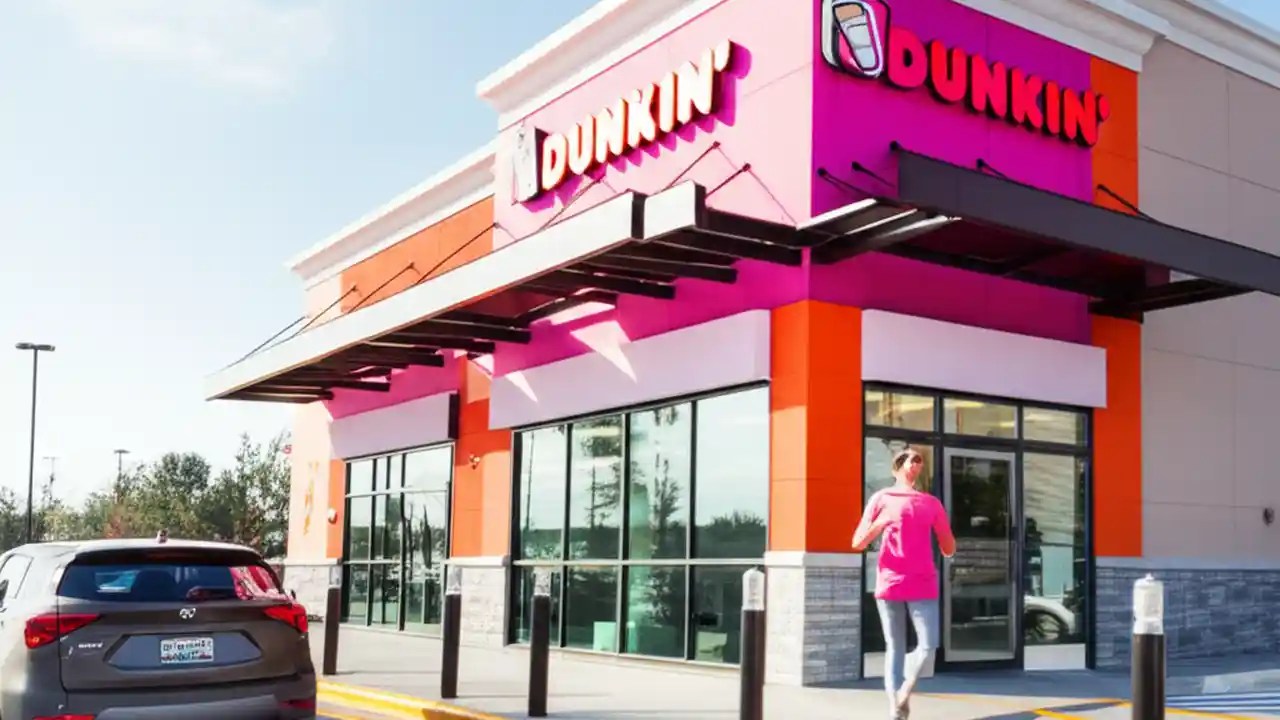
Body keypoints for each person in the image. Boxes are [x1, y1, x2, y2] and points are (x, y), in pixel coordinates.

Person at [852, 447, 956, 720]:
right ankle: (895, 709)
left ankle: (904, 690)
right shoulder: (881, 498)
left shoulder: (931, 503)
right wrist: (880, 524)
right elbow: (857, 542)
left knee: (928, 645)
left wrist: (947, 543)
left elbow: (948, 546)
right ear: (896, 467)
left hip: (922, 581)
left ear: (920, 468)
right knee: (895, 647)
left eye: (917, 460)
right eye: (907, 459)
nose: (913, 464)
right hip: (891, 582)